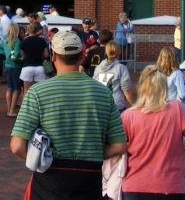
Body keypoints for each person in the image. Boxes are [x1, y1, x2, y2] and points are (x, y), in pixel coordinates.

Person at [11, 31, 128, 200]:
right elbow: (119, 146)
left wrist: (41, 158)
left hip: (49, 180)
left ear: (53, 56)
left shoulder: (37, 92)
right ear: (81, 56)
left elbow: (17, 146)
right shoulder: (103, 94)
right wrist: (92, 154)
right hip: (89, 179)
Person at [121, 66, 185, 200]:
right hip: (170, 186)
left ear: (141, 88)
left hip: (134, 186)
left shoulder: (127, 116)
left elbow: (119, 148)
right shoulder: (176, 108)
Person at [93, 40, 134, 114]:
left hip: (100, 104)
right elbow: (126, 91)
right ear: (118, 52)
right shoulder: (121, 68)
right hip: (116, 105)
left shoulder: (98, 68)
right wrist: (134, 105)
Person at [0, 20, 23, 117]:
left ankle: (9, 109)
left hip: (7, 64)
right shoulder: (17, 40)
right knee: (17, 89)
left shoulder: (4, 38)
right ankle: (12, 111)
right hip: (15, 65)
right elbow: (16, 53)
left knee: (9, 88)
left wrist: (6, 53)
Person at [19, 22, 48, 93]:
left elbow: (23, 56)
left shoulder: (24, 41)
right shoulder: (42, 41)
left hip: (27, 67)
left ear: (28, 30)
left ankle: (26, 104)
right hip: (39, 66)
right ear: (37, 30)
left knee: (26, 90)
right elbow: (46, 55)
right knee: (40, 90)